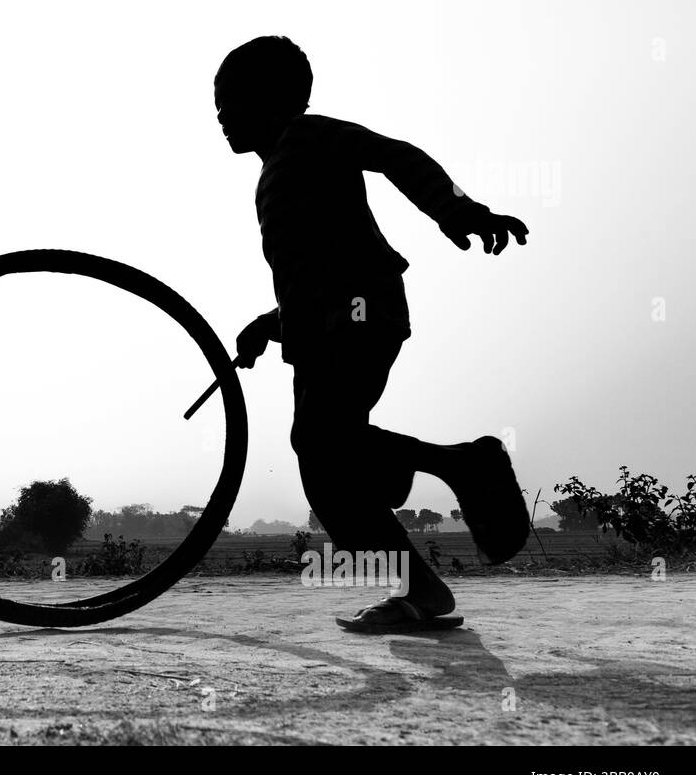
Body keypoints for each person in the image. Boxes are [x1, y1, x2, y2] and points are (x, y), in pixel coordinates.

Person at [215, 35, 531, 632]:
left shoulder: (309, 138)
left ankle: (463, 463)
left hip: (360, 314)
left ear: (270, 98)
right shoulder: (272, 176)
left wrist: (456, 209)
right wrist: (271, 326)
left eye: (229, 98)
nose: (221, 114)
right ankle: (421, 594)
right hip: (317, 331)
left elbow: (396, 155)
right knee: (324, 476)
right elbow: (310, 282)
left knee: (322, 437)